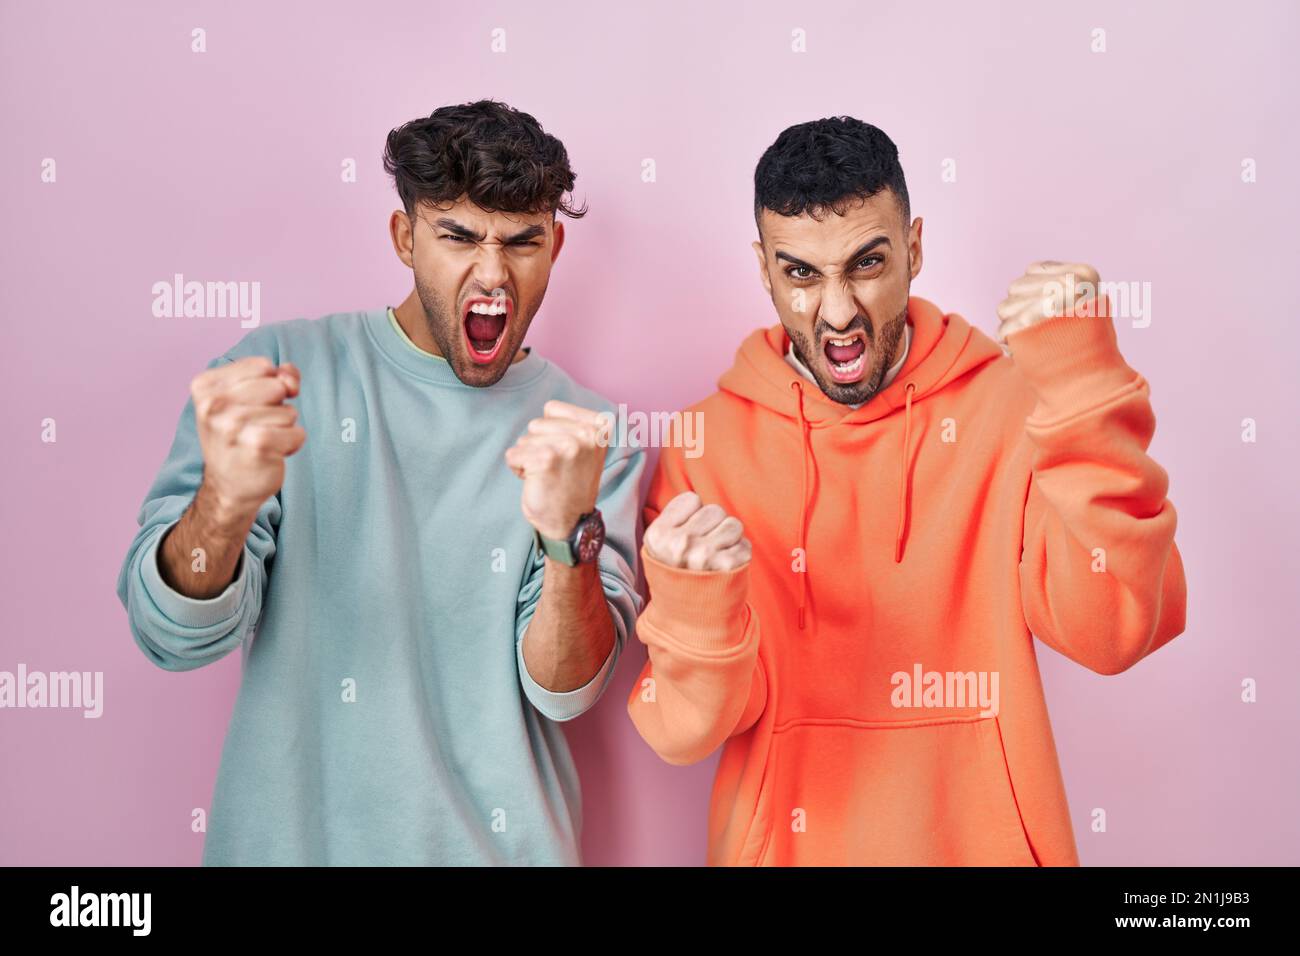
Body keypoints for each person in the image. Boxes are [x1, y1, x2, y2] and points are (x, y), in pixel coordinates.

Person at [626, 115, 1187, 866]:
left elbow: (1115, 630)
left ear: (914, 249)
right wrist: (696, 613)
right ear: (763, 270)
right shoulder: (708, 445)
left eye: (866, 263)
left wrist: (1083, 385)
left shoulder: (1013, 407)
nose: (837, 312)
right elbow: (682, 732)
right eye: (800, 274)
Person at [117, 99, 642, 865]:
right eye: (458, 236)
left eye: (522, 242)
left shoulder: (589, 433)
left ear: (555, 247)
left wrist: (568, 541)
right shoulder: (276, 379)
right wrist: (223, 507)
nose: (492, 273)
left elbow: (565, 691)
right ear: (405, 237)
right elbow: (170, 635)